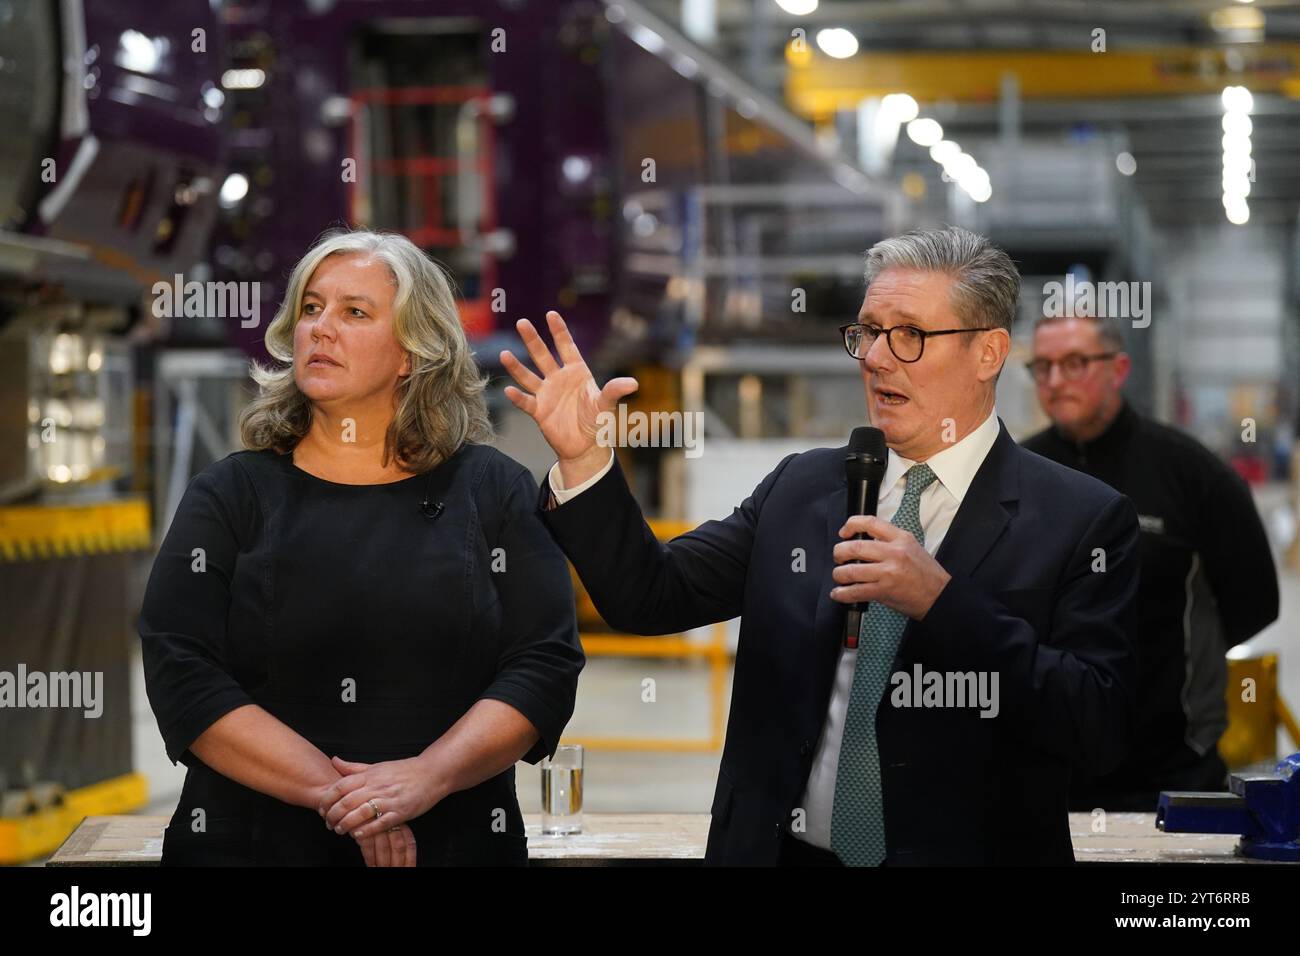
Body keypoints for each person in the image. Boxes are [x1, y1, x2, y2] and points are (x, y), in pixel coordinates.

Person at [501, 225, 1140, 866]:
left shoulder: (1079, 519)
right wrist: (585, 460)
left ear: (989, 353)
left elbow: (1097, 726)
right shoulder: (804, 487)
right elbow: (651, 595)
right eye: (868, 332)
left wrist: (942, 603)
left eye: (911, 335)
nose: (877, 358)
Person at [139, 229, 584, 866]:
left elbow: (544, 666)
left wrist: (427, 777)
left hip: (451, 843)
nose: (320, 329)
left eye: (354, 313)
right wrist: (345, 797)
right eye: (311, 309)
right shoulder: (232, 492)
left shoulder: (492, 491)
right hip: (252, 847)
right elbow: (179, 668)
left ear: (412, 353)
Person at [1022, 310, 1279, 810]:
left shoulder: (1192, 474)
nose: (1055, 381)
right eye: (1043, 367)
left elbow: (1256, 602)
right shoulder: (1018, 474)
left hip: (1175, 766)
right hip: (1052, 768)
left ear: (1118, 370)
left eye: (1074, 363)